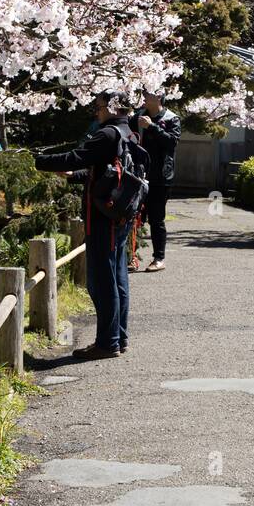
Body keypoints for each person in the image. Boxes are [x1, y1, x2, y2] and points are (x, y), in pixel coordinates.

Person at [34, 91, 138, 360]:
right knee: (117, 278)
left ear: (113, 108)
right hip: (121, 214)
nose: (96, 112)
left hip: (103, 216)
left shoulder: (108, 134)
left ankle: (107, 343)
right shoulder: (130, 133)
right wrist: (74, 176)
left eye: (99, 107)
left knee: (102, 281)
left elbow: (75, 157)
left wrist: (38, 160)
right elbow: (105, 170)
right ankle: (119, 337)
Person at [135, 90, 181, 272]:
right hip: (138, 174)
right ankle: (132, 257)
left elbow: (172, 142)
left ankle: (158, 258)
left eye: (148, 94)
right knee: (134, 217)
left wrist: (152, 127)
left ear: (159, 98)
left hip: (161, 176)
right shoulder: (138, 117)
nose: (144, 97)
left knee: (156, 219)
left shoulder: (171, 118)